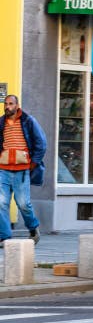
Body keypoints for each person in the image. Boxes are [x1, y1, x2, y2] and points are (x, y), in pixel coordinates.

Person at [0, 95, 46, 246]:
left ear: (17, 105)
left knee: (23, 204)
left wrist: (34, 163)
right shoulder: (1, 122)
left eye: (11, 104)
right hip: (4, 170)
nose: (7, 106)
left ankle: (33, 228)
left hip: (22, 170)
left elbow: (41, 143)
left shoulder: (28, 121)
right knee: (1, 203)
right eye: (6, 104)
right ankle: (5, 236)